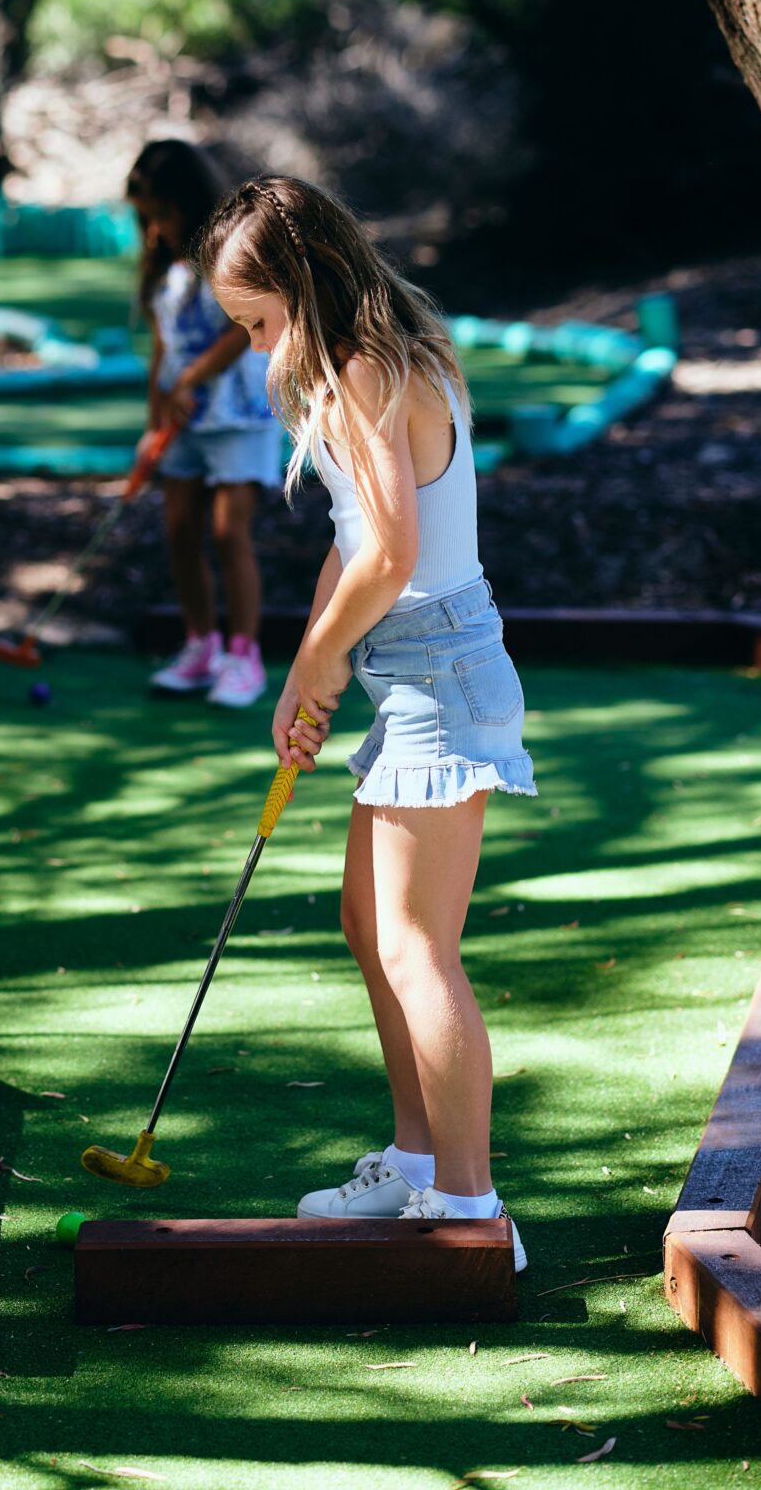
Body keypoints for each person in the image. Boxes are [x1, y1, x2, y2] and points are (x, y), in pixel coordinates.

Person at [201, 174, 534, 1267]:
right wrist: (309, 672)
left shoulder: (364, 371)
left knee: (415, 945)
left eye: (258, 321)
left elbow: (393, 555)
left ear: (302, 288)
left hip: (439, 670)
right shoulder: (375, 360)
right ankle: (417, 1160)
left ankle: (472, 1212)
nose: (254, 347)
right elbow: (354, 542)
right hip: (412, 667)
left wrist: (318, 656)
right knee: (367, 924)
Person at [129, 140, 280, 709]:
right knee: (180, 530)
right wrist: (153, 424)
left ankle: (244, 655)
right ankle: (201, 645)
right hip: (182, 415)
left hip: (239, 411)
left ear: (190, 202)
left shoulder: (230, 253)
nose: (154, 229)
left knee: (228, 532)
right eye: (146, 218)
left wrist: (193, 377)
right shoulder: (163, 266)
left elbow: (245, 329)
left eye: (163, 214)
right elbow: (162, 350)